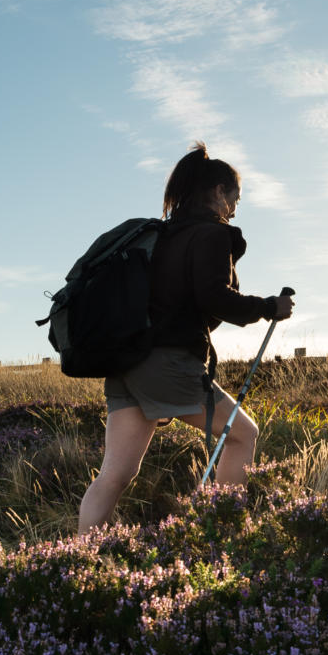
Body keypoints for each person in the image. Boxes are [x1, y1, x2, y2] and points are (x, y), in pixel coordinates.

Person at [77, 143, 294, 532]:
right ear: (217, 192)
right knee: (244, 435)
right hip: (167, 362)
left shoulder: (163, 236)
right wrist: (268, 307)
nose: (236, 206)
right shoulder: (211, 234)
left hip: (127, 362)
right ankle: (221, 532)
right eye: (235, 196)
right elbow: (213, 297)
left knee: (115, 474)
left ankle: (77, 559)